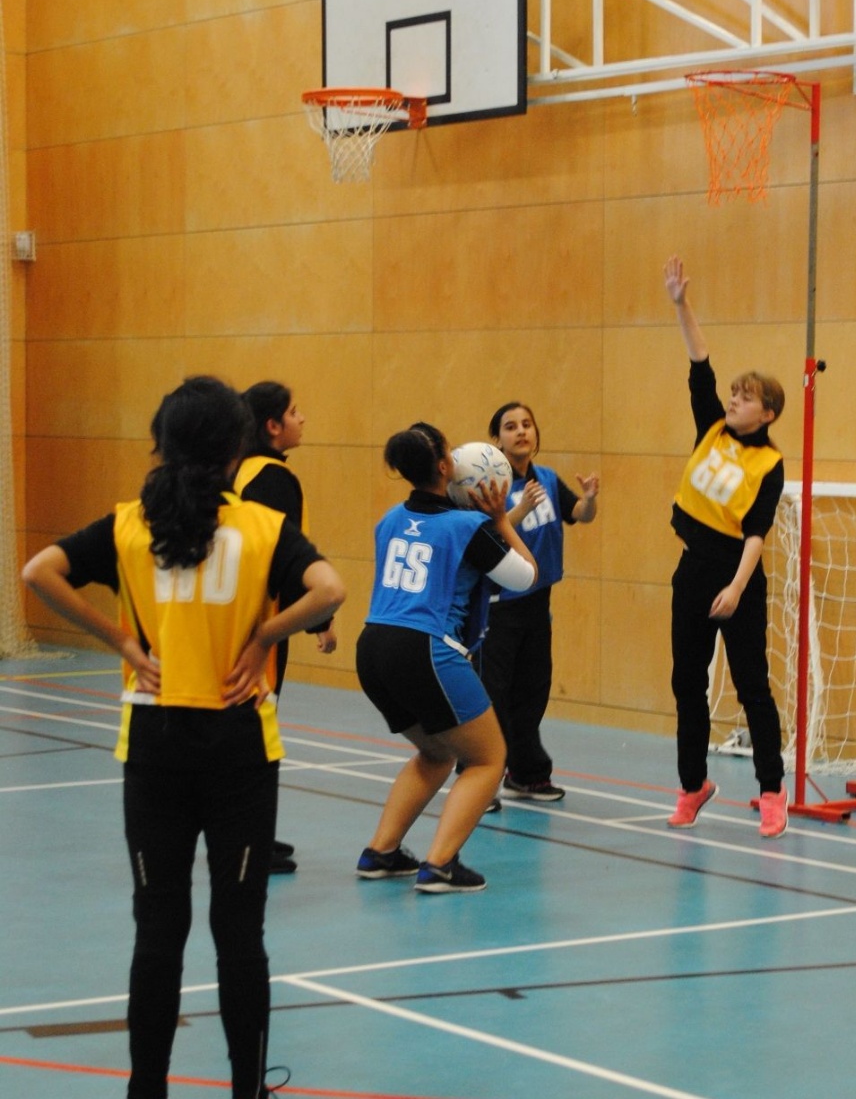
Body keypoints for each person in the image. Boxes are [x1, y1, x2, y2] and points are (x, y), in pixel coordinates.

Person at [22, 376, 346, 1099]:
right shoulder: (263, 527)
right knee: (241, 937)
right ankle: (246, 1090)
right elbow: (329, 590)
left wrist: (120, 640)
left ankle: (147, 1090)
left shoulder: (128, 525)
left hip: (155, 745)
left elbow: (38, 571)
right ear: (236, 447)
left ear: (162, 444)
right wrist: (264, 637)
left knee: (157, 933)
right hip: (239, 748)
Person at [354, 422, 537, 893]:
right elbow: (525, 577)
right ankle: (440, 865)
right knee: (488, 759)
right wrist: (500, 520)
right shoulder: (467, 527)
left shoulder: (390, 519)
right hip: (425, 647)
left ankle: (381, 852)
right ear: (443, 466)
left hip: (373, 646)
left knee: (435, 752)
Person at [661, 255, 789, 837]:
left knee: (752, 686)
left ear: (768, 412)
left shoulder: (770, 463)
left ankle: (771, 791)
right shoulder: (711, 427)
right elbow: (700, 363)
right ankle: (693, 785)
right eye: (734, 394)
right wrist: (681, 303)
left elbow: (757, 530)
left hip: (738, 578)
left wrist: (736, 589)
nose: (734, 401)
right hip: (693, 571)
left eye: (746, 397)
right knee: (686, 683)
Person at [235, 381, 337, 875]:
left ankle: (250, 833)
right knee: (258, 730)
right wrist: (319, 618)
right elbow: (286, 558)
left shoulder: (239, 470)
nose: (302, 419)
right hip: (262, 626)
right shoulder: (274, 479)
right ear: (273, 425)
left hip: (232, 618)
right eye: (294, 412)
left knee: (245, 728)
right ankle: (248, 840)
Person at [477, 401, 598, 806]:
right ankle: (480, 781)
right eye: (510, 426)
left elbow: (580, 514)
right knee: (492, 695)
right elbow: (485, 534)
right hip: (497, 607)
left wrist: (589, 498)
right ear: (497, 439)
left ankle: (526, 774)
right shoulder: (489, 486)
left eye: (527, 424)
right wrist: (520, 509)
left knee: (532, 693)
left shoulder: (545, 478)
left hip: (536, 604)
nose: (521, 432)